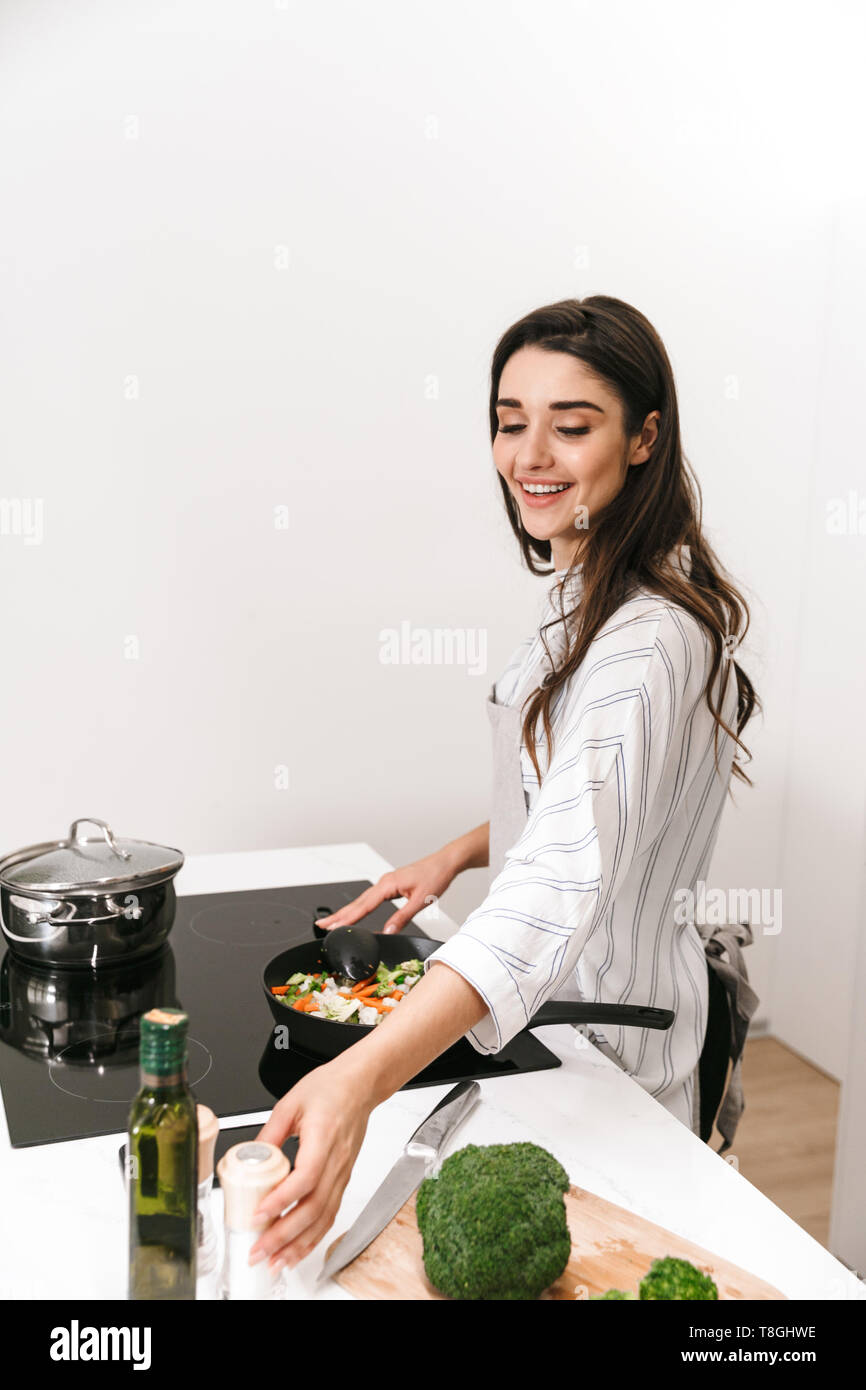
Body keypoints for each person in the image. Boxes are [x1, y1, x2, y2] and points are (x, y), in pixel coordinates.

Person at [251, 295, 760, 1276]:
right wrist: (454, 852)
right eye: (508, 420)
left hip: (606, 1042)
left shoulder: (648, 636)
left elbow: (564, 867)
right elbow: (576, 798)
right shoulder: (584, 598)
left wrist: (359, 1077)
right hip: (550, 1013)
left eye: (571, 425)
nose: (531, 453)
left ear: (644, 437)